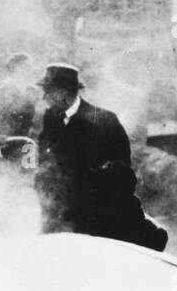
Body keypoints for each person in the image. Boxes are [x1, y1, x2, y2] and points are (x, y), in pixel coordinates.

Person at [34, 63, 131, 233]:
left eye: (48, 92)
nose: (44, 97)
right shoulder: (50, 117)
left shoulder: (104, 121)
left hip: (92, 219)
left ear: (64, 92)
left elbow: (122, 173)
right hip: (54, 216)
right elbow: (44, 159)